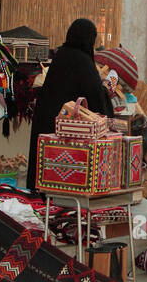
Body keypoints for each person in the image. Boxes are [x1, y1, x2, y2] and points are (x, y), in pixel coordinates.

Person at [27, 18, 114, 192]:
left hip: (48, 127)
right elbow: (95, 96)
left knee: (48, 174)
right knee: (67, 180)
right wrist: (106, 88)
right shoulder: (83, 62)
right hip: (69, 134)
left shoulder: (61, 56)